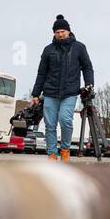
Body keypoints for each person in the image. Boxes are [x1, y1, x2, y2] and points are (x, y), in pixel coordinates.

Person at [31, 14, 95, 162]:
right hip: (50, 92)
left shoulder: (79, 47)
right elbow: (41, 73)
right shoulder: (48, 50)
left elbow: (87, 67)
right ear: (54, 33)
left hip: (70, 92)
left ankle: (65, 149)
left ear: (68, 31)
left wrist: (89, 84)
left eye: (62, 31)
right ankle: (52, 153)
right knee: (50, 125)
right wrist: (35, 93)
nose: (60, 34)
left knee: (65, 120)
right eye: (57, 32)